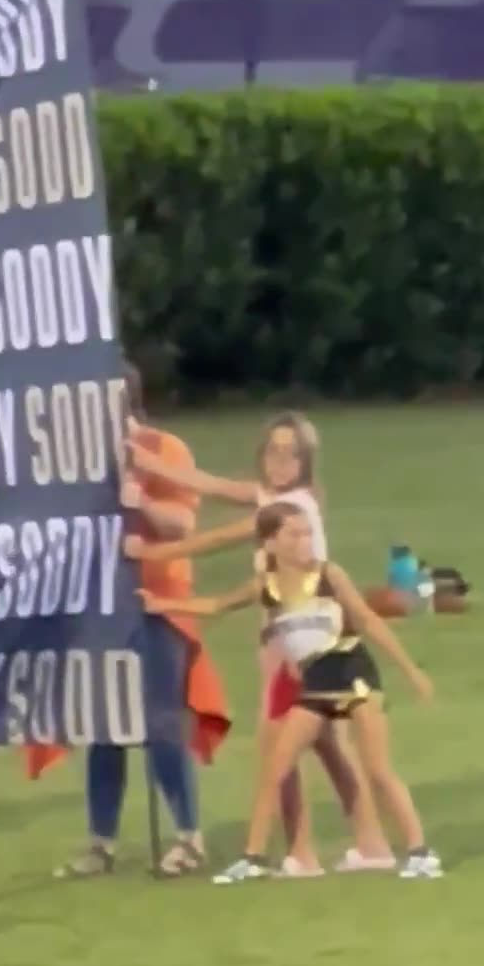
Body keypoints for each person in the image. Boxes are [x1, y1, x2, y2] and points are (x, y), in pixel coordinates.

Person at [198, 506, 441, 881]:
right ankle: (253, 858)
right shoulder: (269, 585)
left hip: (354, 675)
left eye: (307, 532)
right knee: (275, 768)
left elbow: (367, 621)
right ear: (271, 542)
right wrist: (158, 606)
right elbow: (216, 605)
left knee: (377, 769)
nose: (304, 541)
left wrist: (412, 671)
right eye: (294, 534)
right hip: (316, 686)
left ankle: (421, 852)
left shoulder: (329, 575)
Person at [180, 413, 369, 871]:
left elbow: (226, 534)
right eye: (273, 451)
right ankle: (371, 844)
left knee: (280, 745)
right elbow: (209, 483)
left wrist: (156, 553)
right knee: (325, 746)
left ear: (306, 461)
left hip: (300, 643)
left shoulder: (294, 506)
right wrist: (139, 453)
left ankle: (302, 854)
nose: (281, 460)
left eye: (291, 453)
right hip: (290, 639)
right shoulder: (273, 498)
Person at [65, 375, 217, 879]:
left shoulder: (164, 449)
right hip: (102, 604)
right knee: (103, 726)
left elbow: (182, 525)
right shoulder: (81, 459)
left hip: (159, 602)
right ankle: (100, 841)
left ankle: (188, 835)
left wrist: (140, 503)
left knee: (161, 721)